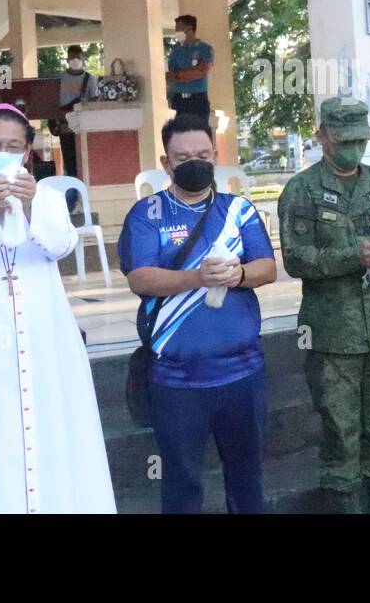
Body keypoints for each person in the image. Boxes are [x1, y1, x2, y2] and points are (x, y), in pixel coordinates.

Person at [0, 103, 116, 513]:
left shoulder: (46, 197)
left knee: (53, 435)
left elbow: (62, 246)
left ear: (27, 152)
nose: (3, 152)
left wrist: (29, 209)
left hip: (45, 340)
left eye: (13, 146)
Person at [118, 114, 278, 513]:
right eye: (183, 156)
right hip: (177, 379)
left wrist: (239, 273)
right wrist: (196, 277)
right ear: (166, 162)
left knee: (247, 477)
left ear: (215, 154)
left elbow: (268, 267)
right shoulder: (147, 214)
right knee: (182, 483)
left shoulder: (238, 210)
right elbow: (140, 278)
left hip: (244, 372)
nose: (195, 162)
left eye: (203, 154)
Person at [277, 97, 370, 514]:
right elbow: (295, 259)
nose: (353, 148)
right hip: (332, 337)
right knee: (341, 437)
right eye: (344, 139)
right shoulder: (301, 191)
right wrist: (352, 256)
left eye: (360, 140)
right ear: (322, 135)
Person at [53, 45, 99, 183]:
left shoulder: (90, 79)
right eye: (72, 57)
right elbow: (53, 103)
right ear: (67, 58)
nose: (75, 60)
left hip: (83, 127)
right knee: (70, 163)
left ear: (83, 58)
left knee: (85, 161)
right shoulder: (59, 79)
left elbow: (94, 103)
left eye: (78, 57)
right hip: (65, 126)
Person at [165, 14, 215, 119]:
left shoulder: (205, 49)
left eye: (179, 28)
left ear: (190, 29)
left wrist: (179, 74)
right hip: (178, 100)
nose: (176, 32)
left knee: (199, 134)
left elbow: (201, 72)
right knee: (179, 134)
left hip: (198, 99)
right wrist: (189, 75)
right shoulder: (175, 51)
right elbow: (169, 76)